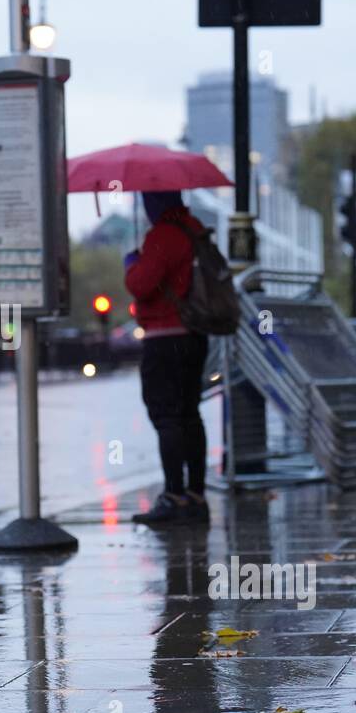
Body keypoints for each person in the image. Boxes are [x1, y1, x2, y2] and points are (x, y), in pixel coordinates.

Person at [124, 190, 210, 525]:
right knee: (190, 413)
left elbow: (142, 285)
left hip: (165, 338)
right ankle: (196, 495)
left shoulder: (163, 235)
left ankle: (173, 496)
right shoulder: (194, 229)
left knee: (167, 416)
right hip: (194, 335)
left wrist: (132, 265)